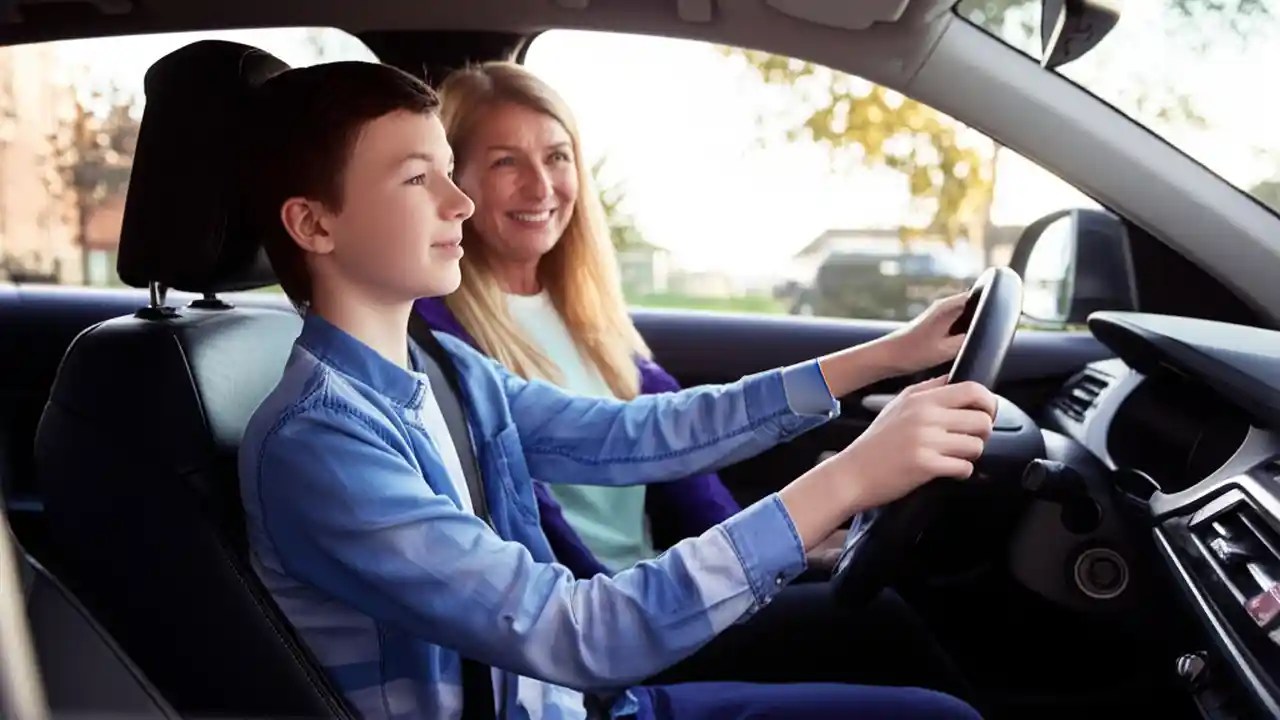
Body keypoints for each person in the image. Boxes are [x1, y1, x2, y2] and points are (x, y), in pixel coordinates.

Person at [238, 59, 996, 720]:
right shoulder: (323, 445)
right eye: (416, 178)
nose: (459, 201)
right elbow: (576, 633)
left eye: (446, 169)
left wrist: (885, 356)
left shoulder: (442, 369)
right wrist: (851, 476)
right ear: (313, 224)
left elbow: (641, 433)